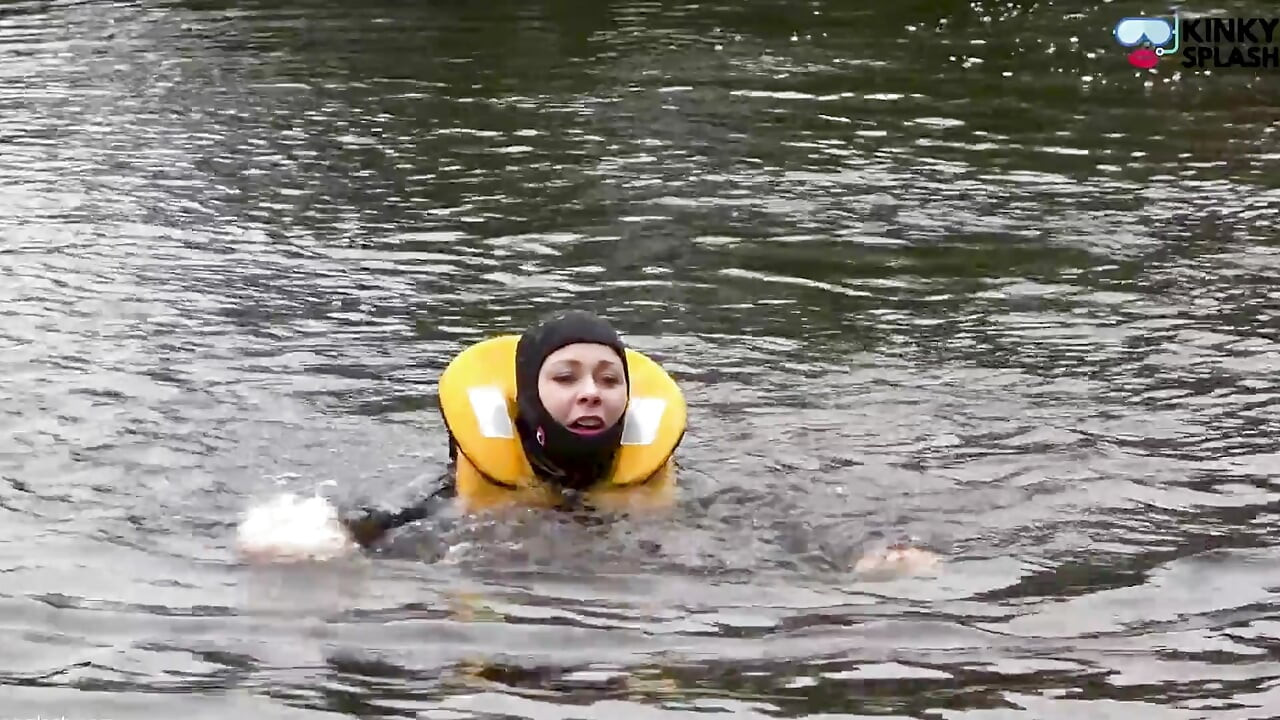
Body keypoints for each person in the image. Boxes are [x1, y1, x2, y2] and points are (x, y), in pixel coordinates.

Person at [338, 310, 687, 549]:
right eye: (566, 378)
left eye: (609, 380)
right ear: (527, 397)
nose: (592, 393)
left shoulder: (664, 483)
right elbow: (364, 533)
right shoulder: (452, 494)